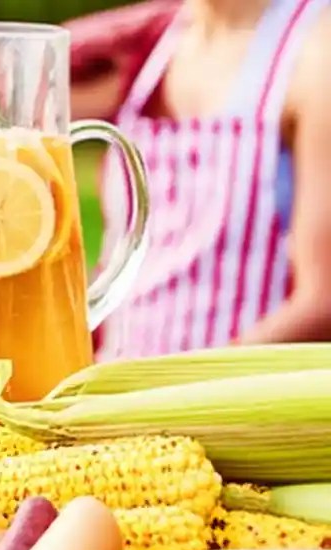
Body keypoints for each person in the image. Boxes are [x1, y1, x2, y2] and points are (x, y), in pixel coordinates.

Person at [72, 0, 331, 357]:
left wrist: (178, 391)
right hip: (119, 394)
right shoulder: (152, 50)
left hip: (236, 401)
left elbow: (322, 303)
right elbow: (2, 84)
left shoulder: (316, 50)